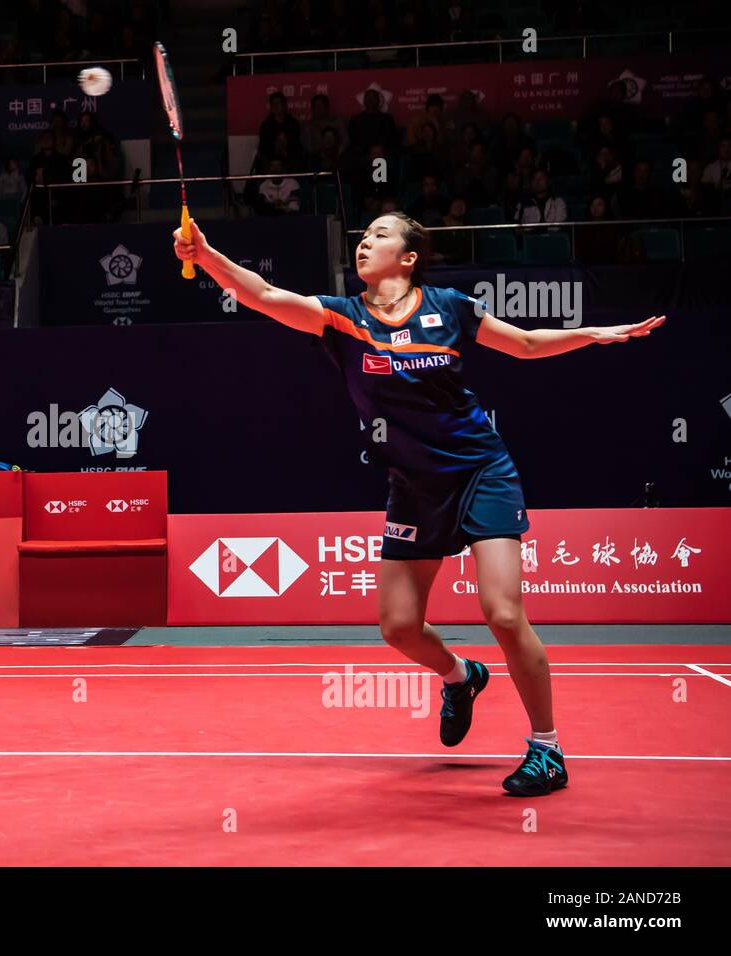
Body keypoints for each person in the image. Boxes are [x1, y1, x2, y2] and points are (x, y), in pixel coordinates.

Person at [172, 211, 665, 796]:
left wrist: (594, 334)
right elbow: (263, 294)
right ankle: (461, 677)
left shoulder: (450, 307)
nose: (365, 242)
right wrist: (204, 255)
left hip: (482, 469)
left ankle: (547, 749)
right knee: (399, 626)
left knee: (503, 613)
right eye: (362, 236)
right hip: (413, 483)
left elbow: (526, 344)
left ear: (408, 258)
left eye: (380, 235)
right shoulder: (343, 319)